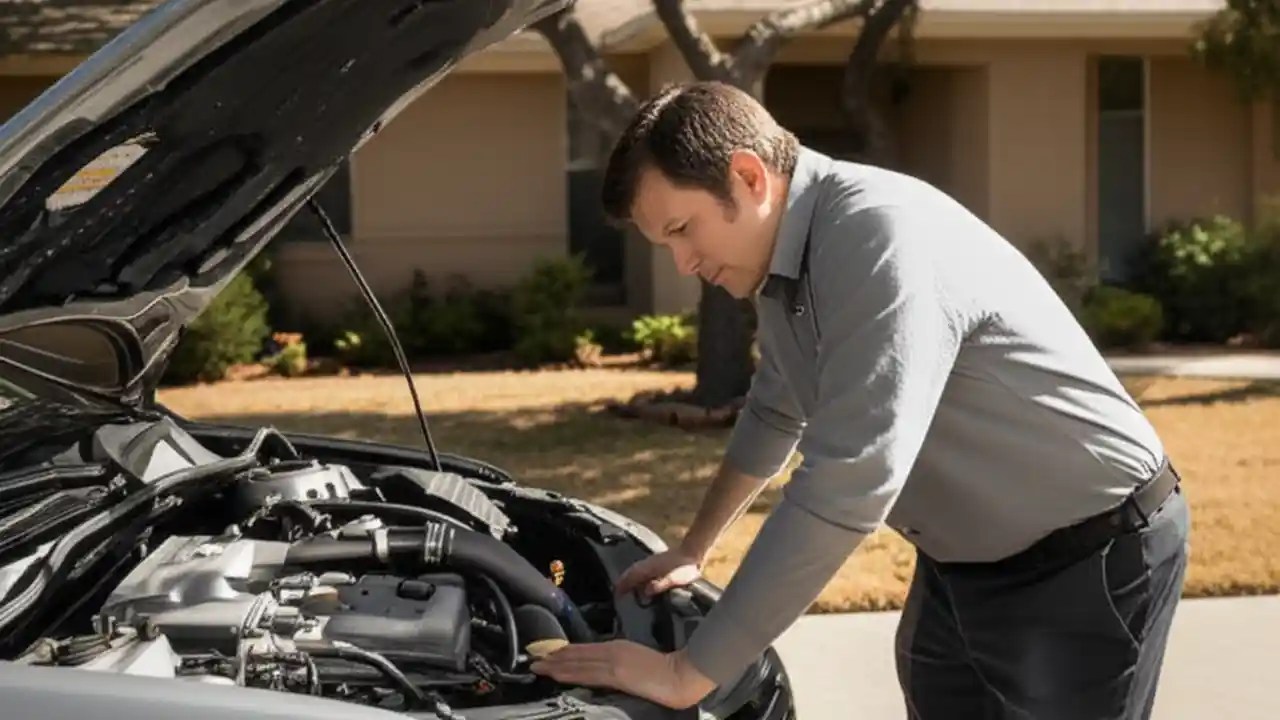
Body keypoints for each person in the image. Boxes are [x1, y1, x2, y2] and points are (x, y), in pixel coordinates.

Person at [529, 80, 1189, 719]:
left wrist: (687, 673)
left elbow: (849, 482)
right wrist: (695, 547)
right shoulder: (784, 267)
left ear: (749, 177)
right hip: (962, 569)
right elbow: (775, 408)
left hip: (1088, 559)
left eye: (682, 229)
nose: (683, 263)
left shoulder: (876, 233)